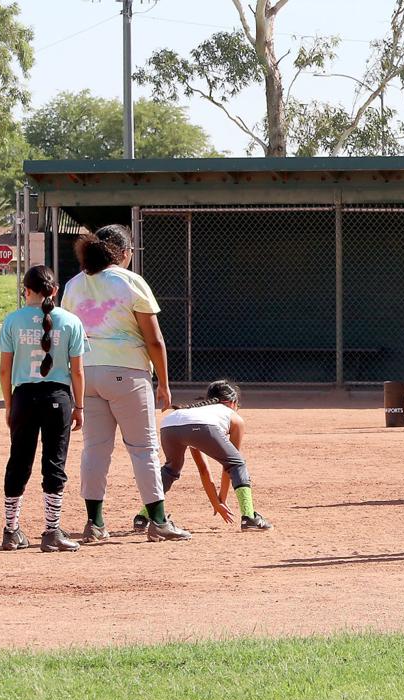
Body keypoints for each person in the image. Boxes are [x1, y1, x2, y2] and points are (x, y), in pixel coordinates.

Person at [61, 224, 192, 543]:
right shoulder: (130, 281)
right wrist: (164, 382)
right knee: (143, 448)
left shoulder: (75, 284)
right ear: (123, 252)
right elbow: (155, 339)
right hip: (127, 371)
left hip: (86, 371)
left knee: (94, 449)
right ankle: (158, 521)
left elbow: (66, 333)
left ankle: (94, 524)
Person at [0, 265, 88, 552]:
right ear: (55, 290)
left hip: (23, 397)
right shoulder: (71, 321)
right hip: (57, 398)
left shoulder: (13, 320)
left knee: (19, 461)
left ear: (26, 290)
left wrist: (9, 405)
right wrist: (79, 406)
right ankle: (52, 532)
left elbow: (4, 371)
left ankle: (11, 531)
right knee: (54, 463)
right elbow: (78, 372)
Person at [137, 380, 273, 532]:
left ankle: (142, 517)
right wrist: (221, 498)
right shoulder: (233, 417)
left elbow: (203, 469)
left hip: (169, 424)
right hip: (202, 427)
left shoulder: (196, 412)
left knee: (170, 470)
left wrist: (217, 502)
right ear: (232, 403)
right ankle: (249, 517)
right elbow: (231, 465)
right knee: (238, 464)